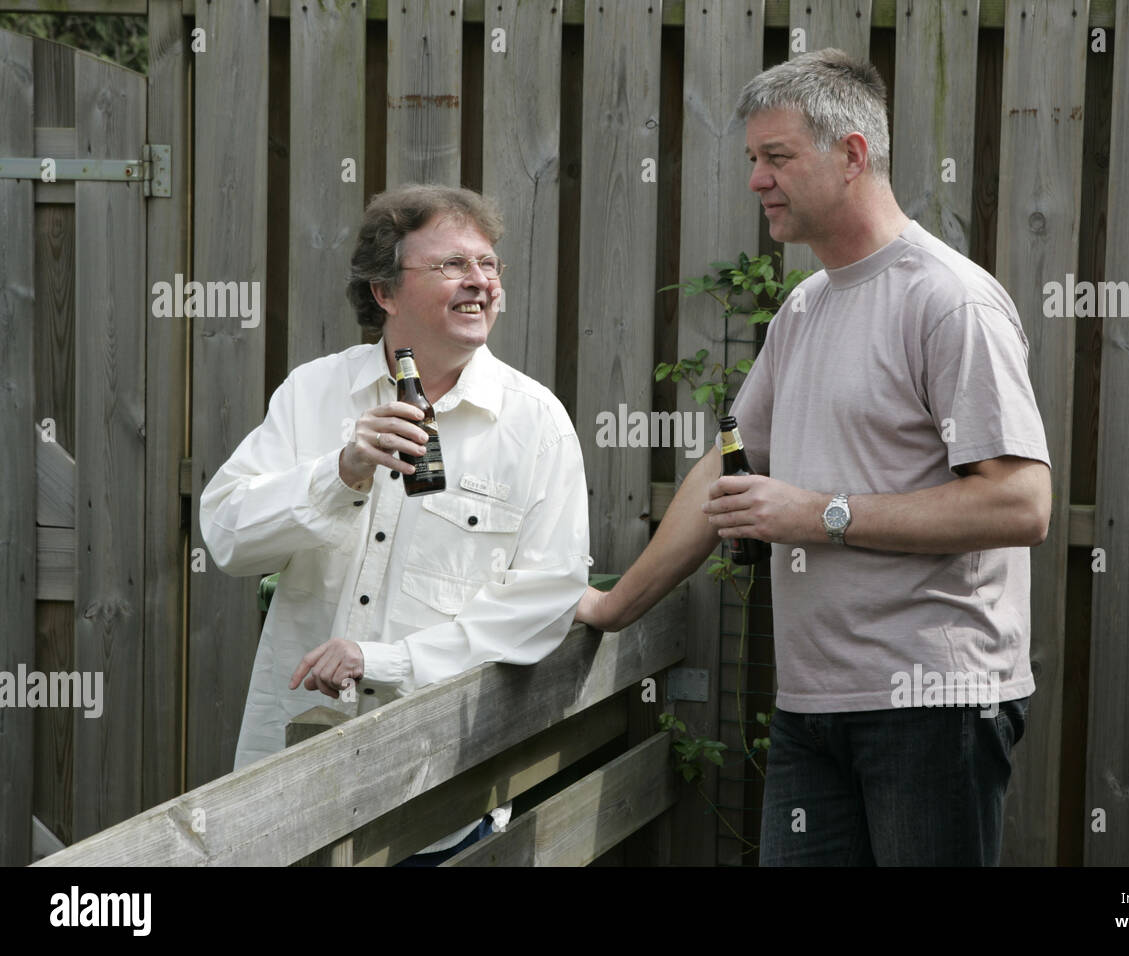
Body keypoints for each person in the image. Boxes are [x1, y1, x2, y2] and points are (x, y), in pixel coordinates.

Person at [576, 49, 1052, 866]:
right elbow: (724, 472)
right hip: (812, 704)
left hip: (934, 704)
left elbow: (1019, 504)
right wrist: (614, 607)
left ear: (854, 154)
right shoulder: (807, 305)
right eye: (752, 160)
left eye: (778, 157)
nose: (757, 179)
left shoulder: (949, 300)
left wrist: (821, 515)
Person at [200, 184, 591, 864]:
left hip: (434, 789)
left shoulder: (535, 424)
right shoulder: (314, 392)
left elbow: (546, 600)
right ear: (384, 291)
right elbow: (229, 538)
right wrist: (342, 471)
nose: (480, 283)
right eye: (452, 266)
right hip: (290, 785)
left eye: (489, 265)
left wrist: (385, 662)